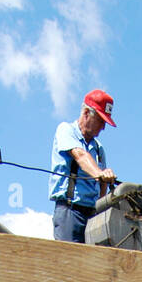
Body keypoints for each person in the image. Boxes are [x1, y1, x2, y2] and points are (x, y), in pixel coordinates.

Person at [49, 90, 118, 243]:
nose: (103, 127)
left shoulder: (99, 149)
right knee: (69, 261)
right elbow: (80, 156)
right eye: (100, 120)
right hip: (70, 212)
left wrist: (100, 211)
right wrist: (99, 173)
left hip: (92, 216)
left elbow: (102, 187)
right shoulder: (66, 130)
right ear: (87, 112)